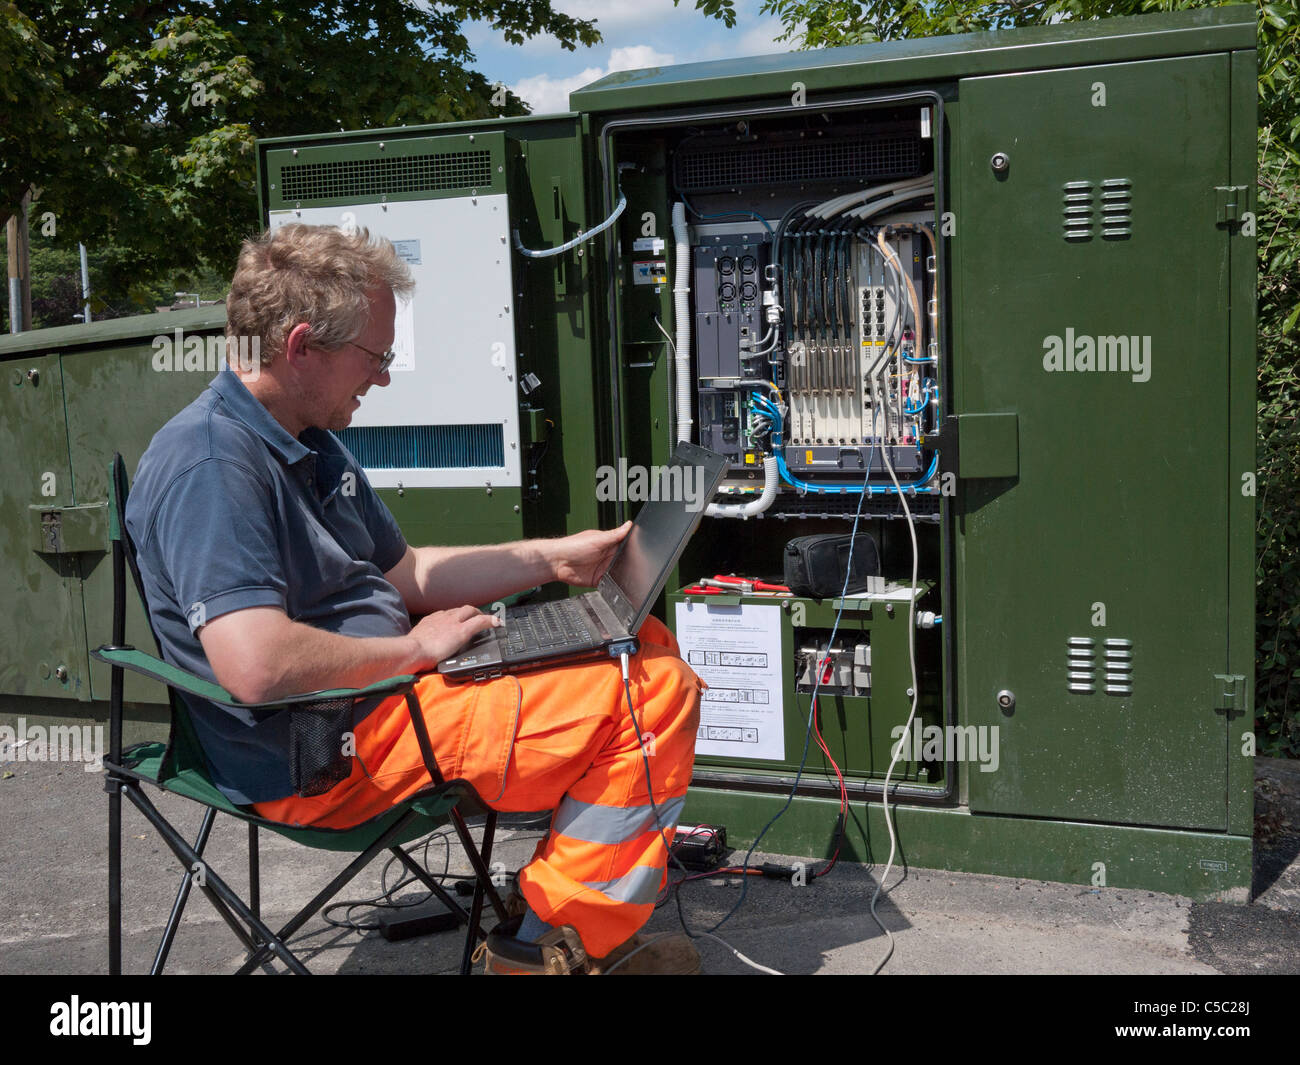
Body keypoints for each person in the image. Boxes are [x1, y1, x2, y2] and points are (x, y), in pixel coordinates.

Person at [126, 223, 705, 974]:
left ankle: (566, 913)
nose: (384, 379)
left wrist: (554, 558)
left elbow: (411, 577)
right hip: (323, 751)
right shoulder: (211, 462)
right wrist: (414, 649)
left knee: (645, 642)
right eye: (377, 358)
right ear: (302, 345)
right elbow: (255, 666)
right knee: (650, 698)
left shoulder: (305, 436)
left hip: (387, 697)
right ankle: (549, 953)